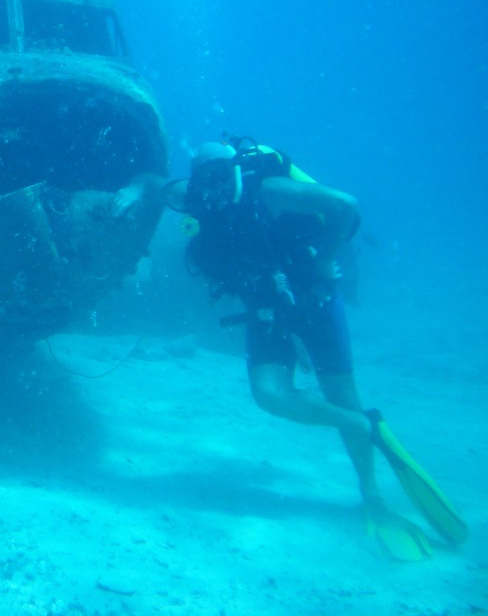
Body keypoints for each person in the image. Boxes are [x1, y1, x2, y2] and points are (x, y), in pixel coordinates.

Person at [114, 137, 467, 560]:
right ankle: (363, 427)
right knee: (270, 395)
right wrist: (132, 191)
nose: (213, 187)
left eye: (221, 177)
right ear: (195, 176)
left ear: (237, 171)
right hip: (265, 311)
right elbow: (152, 181)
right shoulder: (190, 195)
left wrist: (324, 262)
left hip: (315, 300)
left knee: (342, 393)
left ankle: (371, 495)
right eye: (204, 178)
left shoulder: (269, 189)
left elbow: (344, 204)